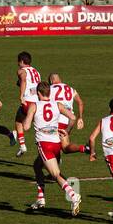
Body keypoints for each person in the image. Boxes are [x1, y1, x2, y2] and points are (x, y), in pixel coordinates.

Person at [20, 82, 81, 215]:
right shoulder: (57, 104)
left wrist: (24, 117)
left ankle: (73, 196)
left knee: (55, 174)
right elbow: (72, 117)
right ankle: (41, 199)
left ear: (38, 93)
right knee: (36, 166)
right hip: (56, 143)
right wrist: (66, 131)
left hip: (44, 144)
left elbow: (26, 127)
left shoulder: (34, 106)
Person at [48, 73, 89, 156]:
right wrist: (80, 118)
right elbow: (80, 102)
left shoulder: (50, 89)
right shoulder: (70, 89)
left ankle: (53, 162)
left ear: (51, 81)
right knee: (65, 147)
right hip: (68, 121)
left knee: (49, 144)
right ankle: (83, 148)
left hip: (56, 120)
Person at [13, 51, 41, 156]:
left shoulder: (21, 71)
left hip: (28, 102)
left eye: (18, 62)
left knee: (18, 122)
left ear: (21, 61)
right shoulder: (36, 71)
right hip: (38, 102)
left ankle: (22, 145)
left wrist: (21, 96)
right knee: (38, 126)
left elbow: (24, 80)